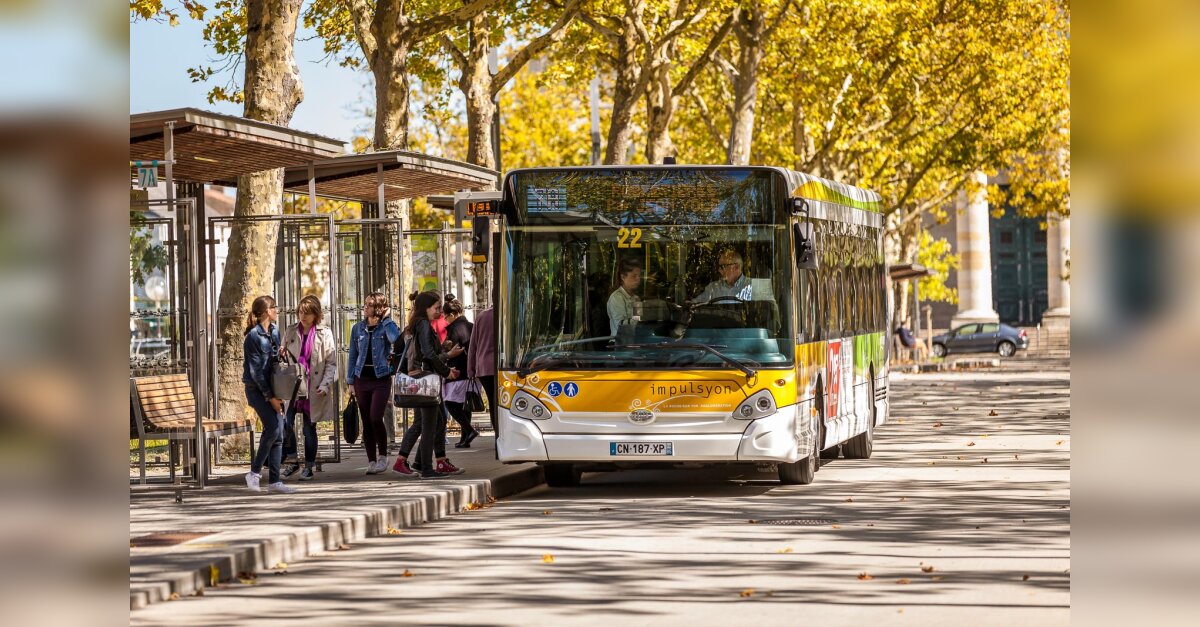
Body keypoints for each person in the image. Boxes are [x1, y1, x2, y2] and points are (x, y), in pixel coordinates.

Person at [390, 291, 461, 479]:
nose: (439, 312)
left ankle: (421, 462)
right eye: (436, 308)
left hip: (423, 378)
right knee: (429, 424)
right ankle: (427, 468)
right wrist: (446, 370)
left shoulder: (418, 324)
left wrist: (443, 350)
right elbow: (428, 354)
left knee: (436, 421)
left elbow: (425, 351)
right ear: (426, 308)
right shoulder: (422, 324)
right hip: (424, 379)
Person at [242, 295, 296, 493]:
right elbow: (256, 372)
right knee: (273, 428)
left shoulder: (274, 331)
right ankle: (254, 473)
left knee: (279, 432)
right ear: (266, 311)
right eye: (274, 307)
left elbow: (273, 364)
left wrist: (279, 354)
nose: (277, 310)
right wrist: (271, 398)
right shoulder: (253, 337)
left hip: (273, 387)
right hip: (257, 390)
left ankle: (274, 481)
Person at [280, 295, 337, 481]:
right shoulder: (291, 331)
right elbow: (282, 359)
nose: (303, 316)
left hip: (313, 386)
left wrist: (325, 385)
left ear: (316, 314)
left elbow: (331, 363)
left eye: (308, 313)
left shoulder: (324, 333)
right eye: (301, 312)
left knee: (308, 428)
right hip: (292, 386)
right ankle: (292, 460)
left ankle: (309, 466)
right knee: (285, 424)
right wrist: (282, 354)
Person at [346, 292, 402, 475]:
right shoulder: (358, 328)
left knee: (376, 417)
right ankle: (371, 460)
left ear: (379, 308)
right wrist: (350, 382)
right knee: (366, 420)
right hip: (361, 379)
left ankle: (383, 456)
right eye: (365, 304)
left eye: (369, 305)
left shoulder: (386, 326)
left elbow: (397, 341)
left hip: (381, 378)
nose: (365, 307)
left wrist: (386, 320)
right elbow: (353, 355)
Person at [441, 296, 481, 448]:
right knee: (465, 405)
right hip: (472, 371)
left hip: (458, 372)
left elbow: (451, 350)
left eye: (446, 316)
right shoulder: (471, 326)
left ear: (452, 314)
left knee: (450, 403)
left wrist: (444, 351)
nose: (445, 320)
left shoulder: (455, 329)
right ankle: (466, 438)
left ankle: (469, 431)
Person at [466, 307, 497, 436]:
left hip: (484, 366)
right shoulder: (507, 313)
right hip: (503, 366)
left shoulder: (481, 316)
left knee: (492, 401)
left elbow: (473, 345)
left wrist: (470, 369)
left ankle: (497, 433)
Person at [606, 257, 643, 336]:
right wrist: (639, 320)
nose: (638, 279)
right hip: (620, 341)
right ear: (623, 277)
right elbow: (621, 327)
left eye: (639, 276)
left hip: (635, 340)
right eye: (634, 276)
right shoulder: (616, 298)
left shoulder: (636, 298)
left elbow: (639, 321)